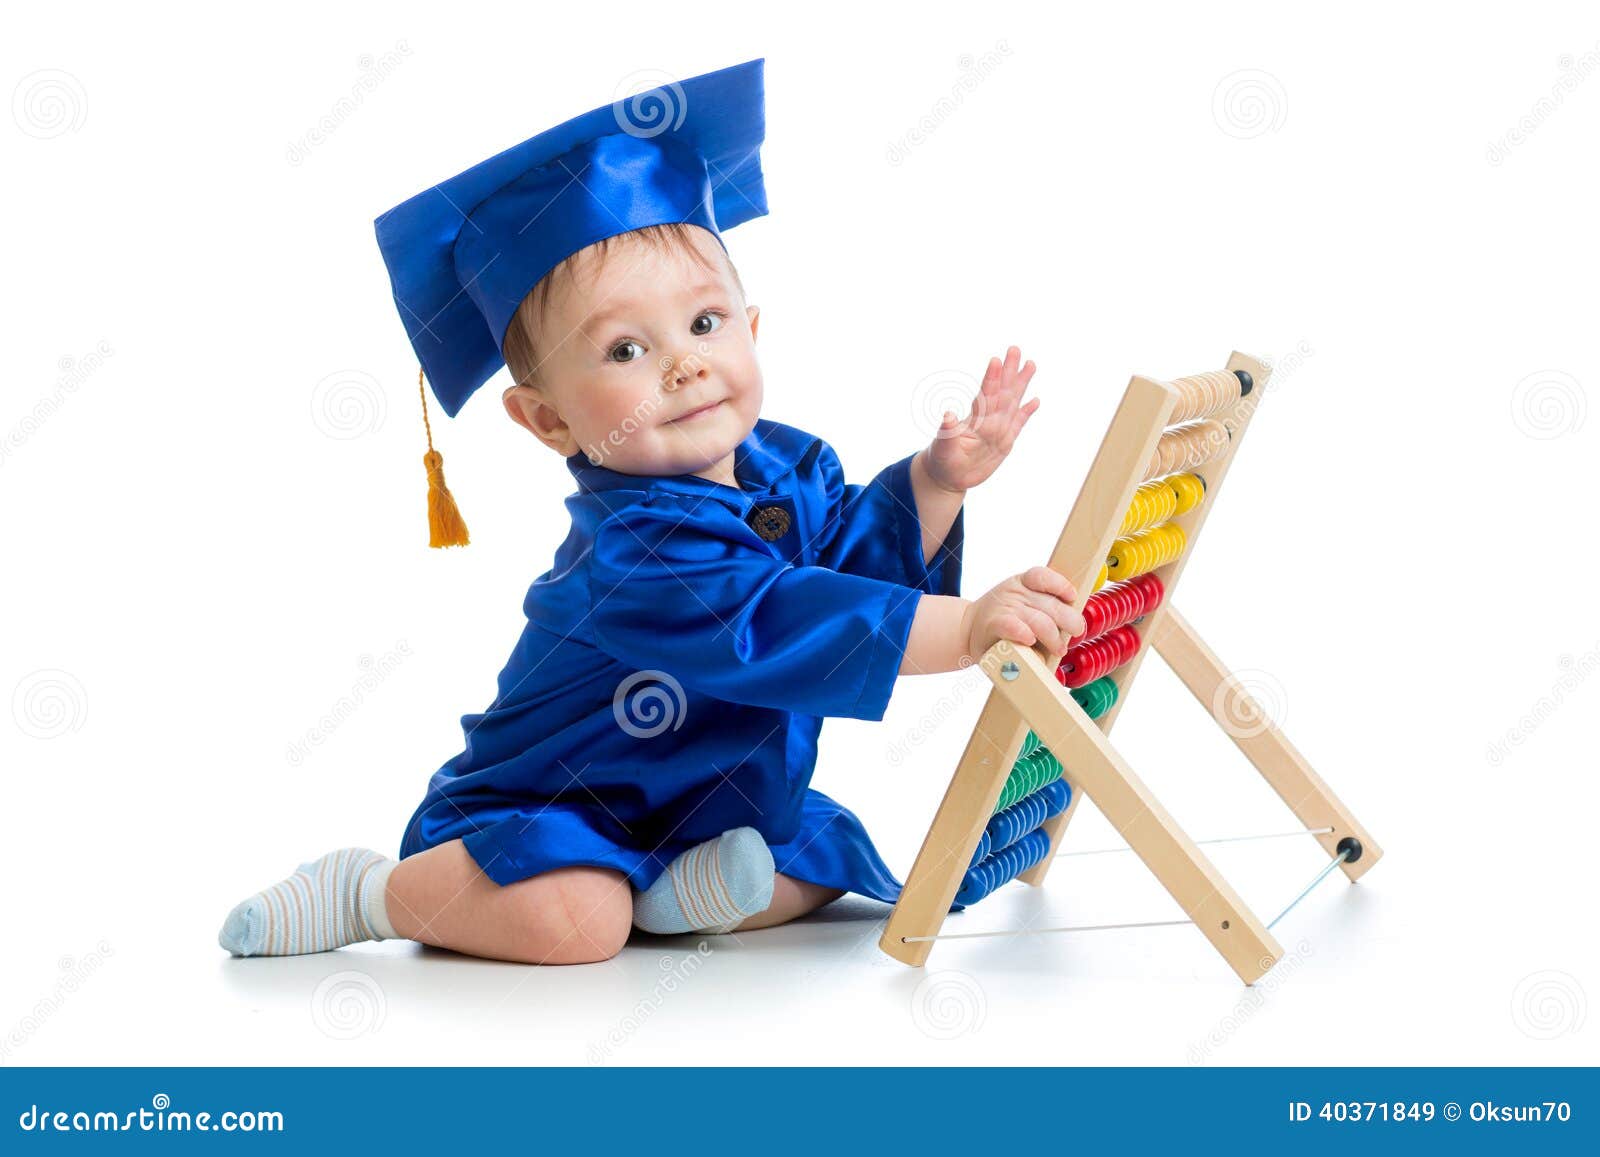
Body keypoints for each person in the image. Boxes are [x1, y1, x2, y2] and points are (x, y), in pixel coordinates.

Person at [218, 59, 1081, 966]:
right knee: (577, 924)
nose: (683, 364)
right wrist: (975, 621)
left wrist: (937, 482)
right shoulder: (637, 548)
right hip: (556, 805)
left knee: (825, 858)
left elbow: (853, 578)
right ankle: (372, 893)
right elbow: (785, 621)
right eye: (626, 347)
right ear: (549, 418)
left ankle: (673, 899)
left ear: (754, 326)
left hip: (710, 802)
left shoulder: (792, 467)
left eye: (706, 323)